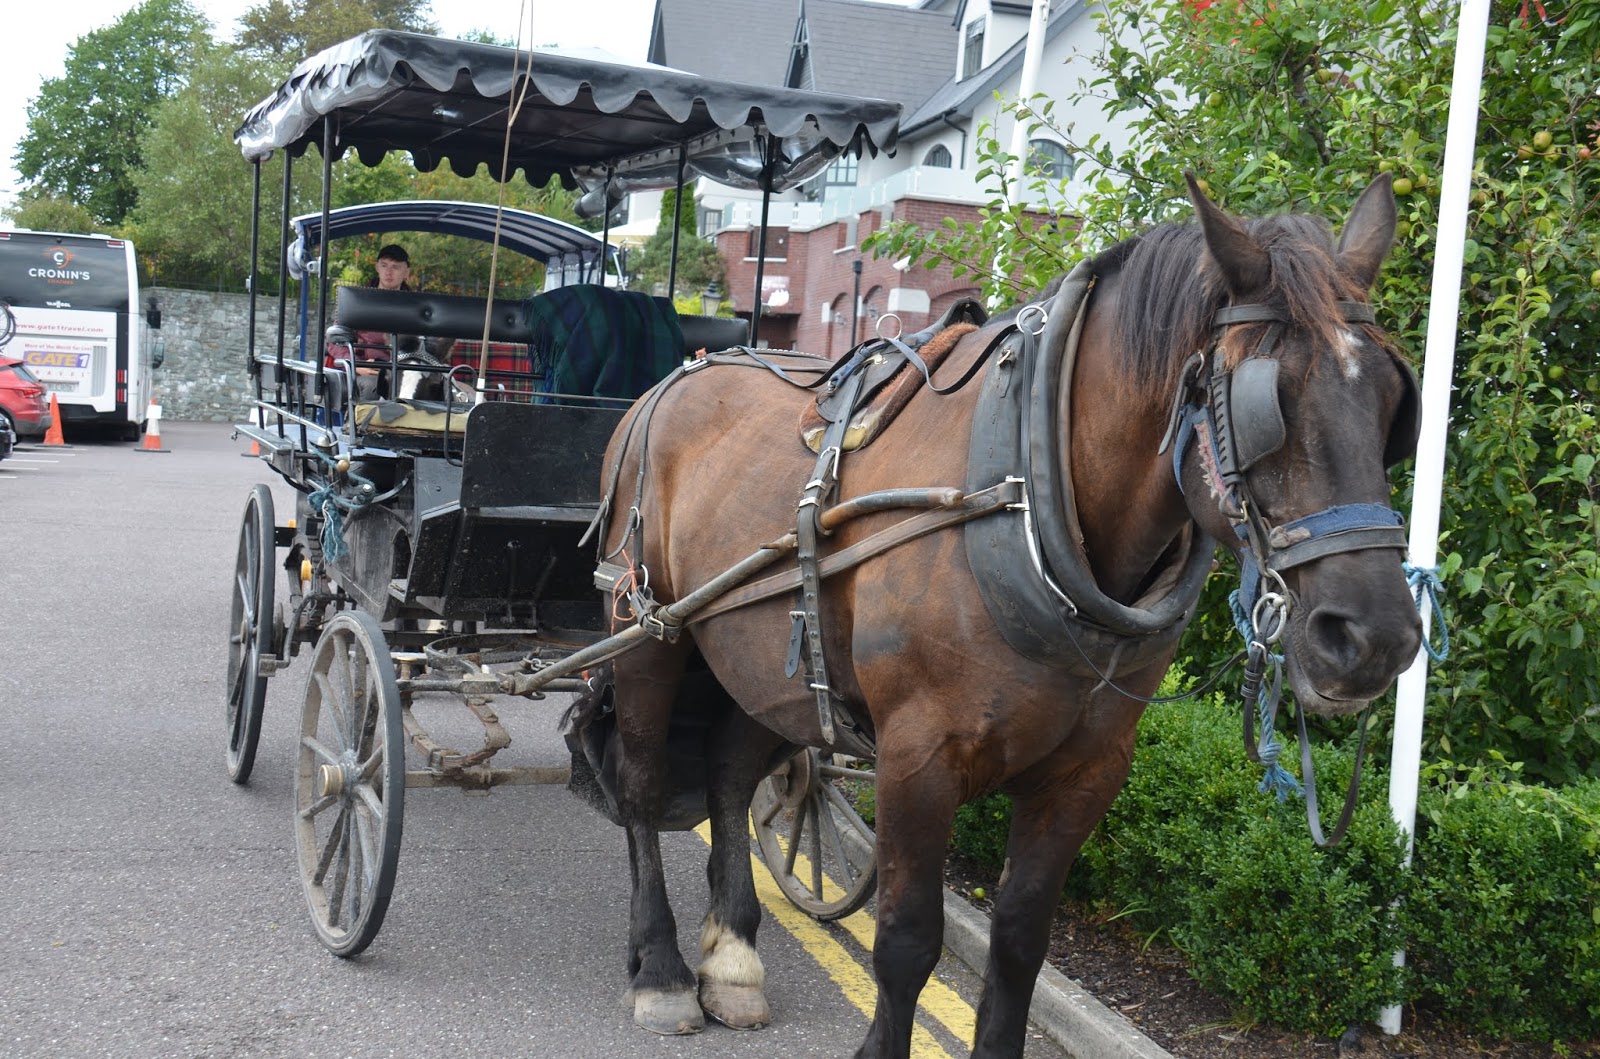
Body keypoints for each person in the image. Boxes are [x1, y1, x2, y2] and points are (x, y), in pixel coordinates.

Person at [326, 243, 456, 400]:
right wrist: (357, 365)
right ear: (377, 267)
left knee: (436, 388)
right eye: (384, 265)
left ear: (406, 272)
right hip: (369, 369)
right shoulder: (357, 301)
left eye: (395, 267)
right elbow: (335, 342)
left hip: (406, 367)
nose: (388, 272)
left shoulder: (417, 306)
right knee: (374, 387)